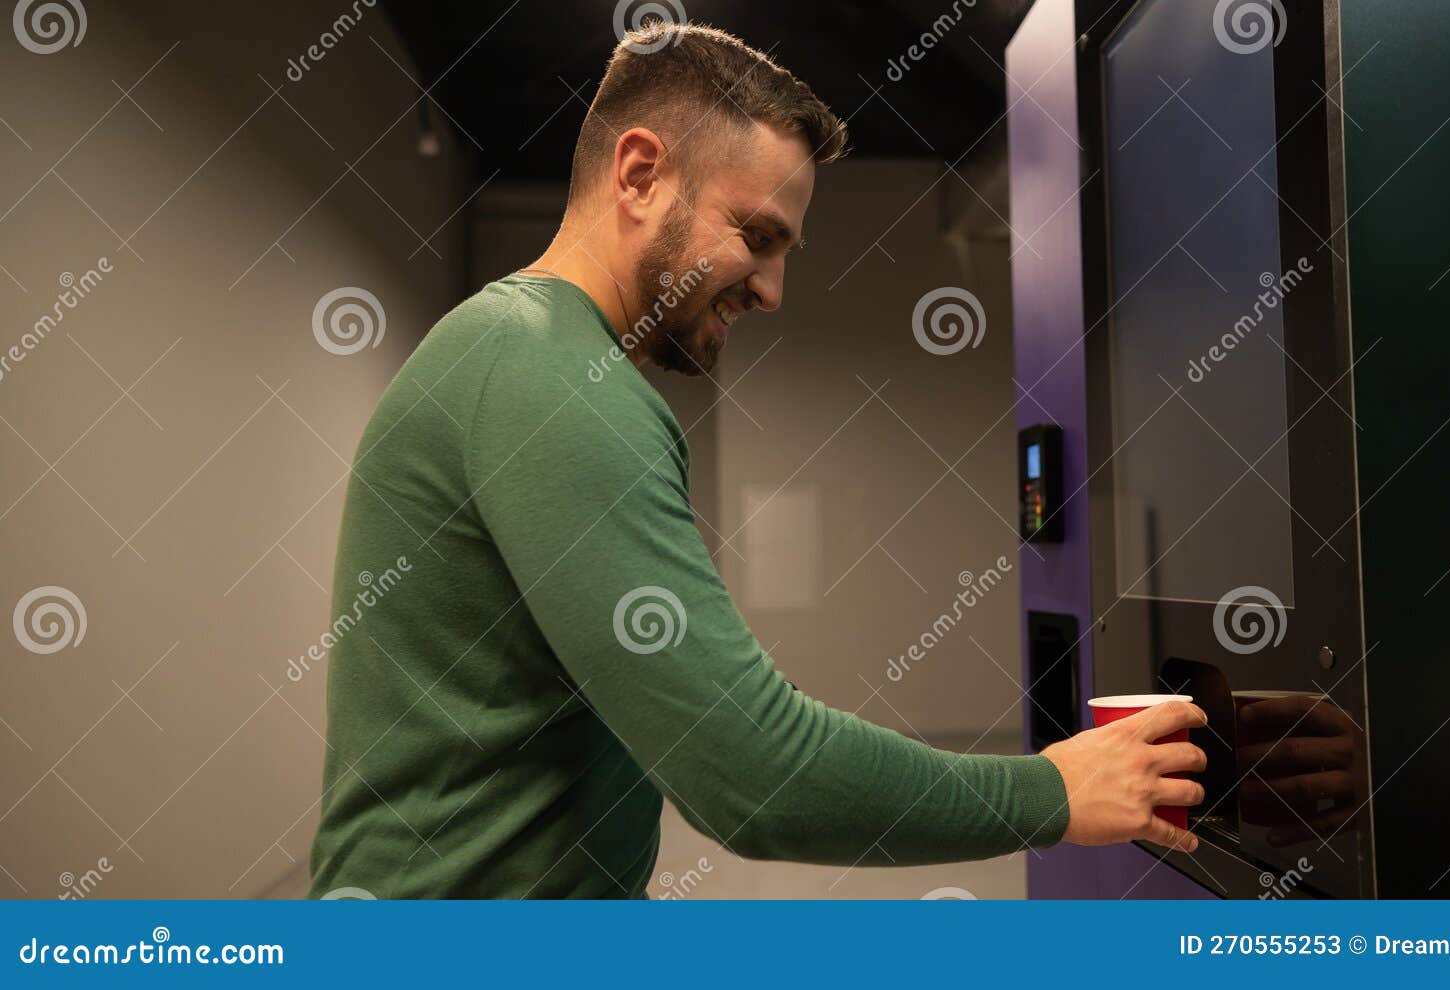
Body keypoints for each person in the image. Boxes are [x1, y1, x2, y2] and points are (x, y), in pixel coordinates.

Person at [307, 21, 1206, 899]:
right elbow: (753, 772)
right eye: (758, 236)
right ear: (641, 175)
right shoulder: (552, 381)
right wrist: (1054, 792)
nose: (774, 291)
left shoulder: (517, 356)